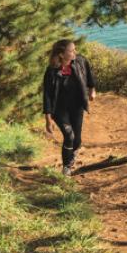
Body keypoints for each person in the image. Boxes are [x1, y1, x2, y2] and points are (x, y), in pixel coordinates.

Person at [42, 38, 96, 175]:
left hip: (77, 106)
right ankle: (66, 167)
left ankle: (72, 157)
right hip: (59, 109)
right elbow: (47, 95)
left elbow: (89, 76)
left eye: (74, 49)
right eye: (71, 50)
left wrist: (92, 89)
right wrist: (48, 119)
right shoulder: (51, 71)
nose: (75, 52)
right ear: (61, 54)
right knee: (69, 135)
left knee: (77, 139)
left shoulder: (80, 61)